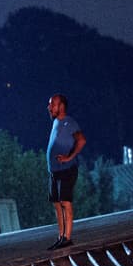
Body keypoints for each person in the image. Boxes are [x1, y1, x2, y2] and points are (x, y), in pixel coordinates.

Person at [45, 93, 86, 249]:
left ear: (61, 106)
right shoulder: (56, 122)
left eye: (52, 104)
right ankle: (61, 237)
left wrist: (69, 157)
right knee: (57, 204)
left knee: (65, 202)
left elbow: (81, 140)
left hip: (66, 169)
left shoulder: (69, 122)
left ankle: (67, 237)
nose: (49, 107)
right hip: (54, 171)